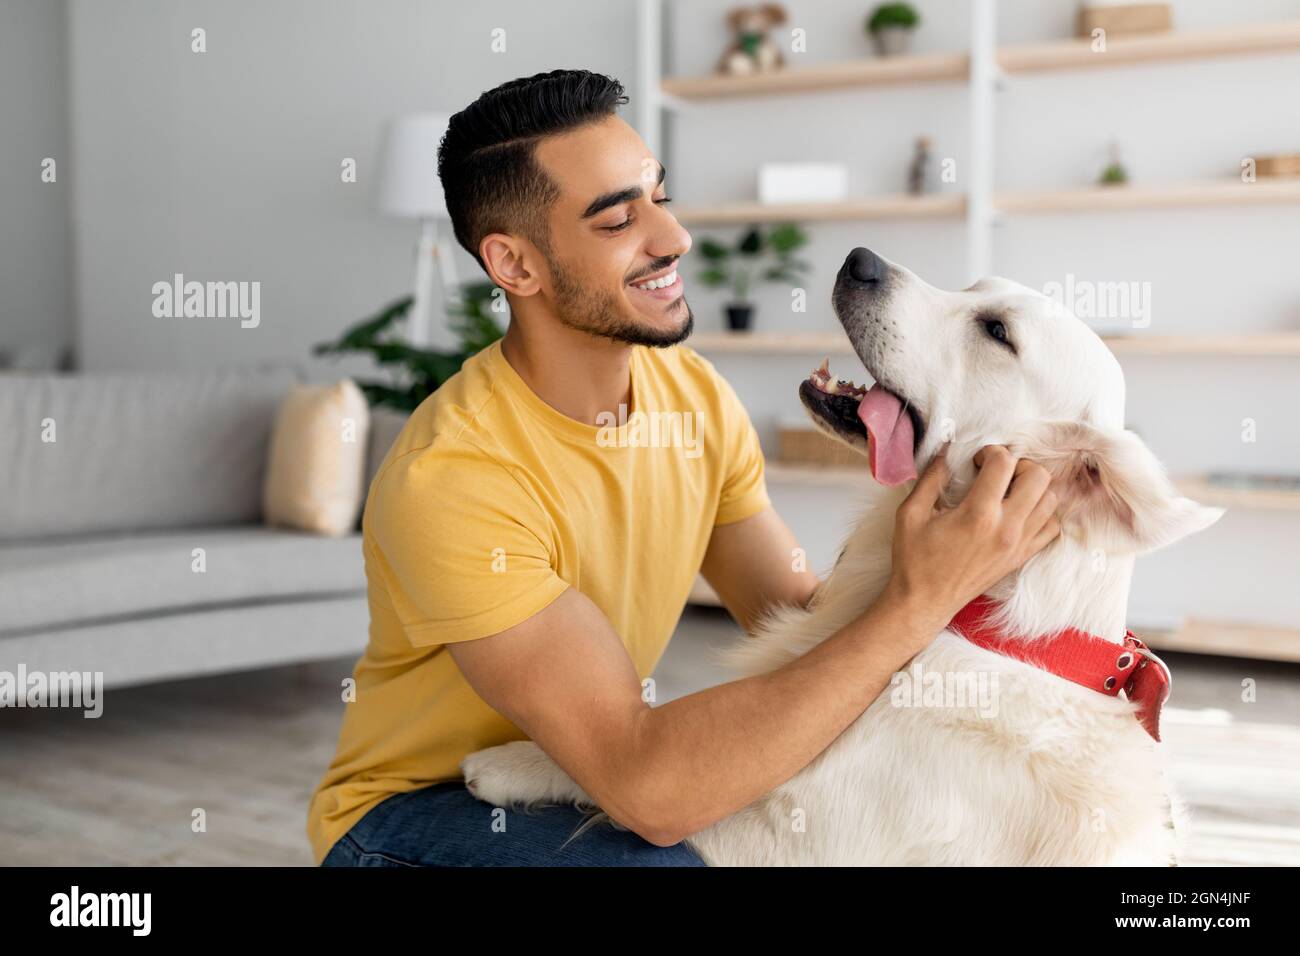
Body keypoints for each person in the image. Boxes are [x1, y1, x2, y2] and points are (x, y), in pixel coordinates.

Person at [308, 69, 1060, 867]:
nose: (673, 239)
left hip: (585, 769)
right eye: (616, 221)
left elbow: (802, 623)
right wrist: (918, 599)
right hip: (406, 819)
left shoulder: (690, 394)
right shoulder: (456, 478)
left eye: (659, 197)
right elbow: (650, 791)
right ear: (515, 266)